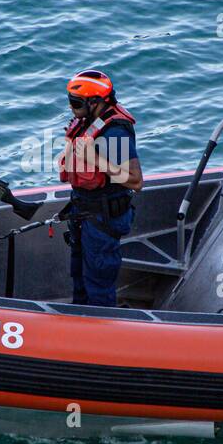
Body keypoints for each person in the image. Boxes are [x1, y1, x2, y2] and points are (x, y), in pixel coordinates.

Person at [58, 70, 142, 306]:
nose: (71, 108)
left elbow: (136, 181)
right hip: (82, 212)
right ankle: (79, 321)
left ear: (95, 102)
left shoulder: (115, 133)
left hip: (103, 219)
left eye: (75, 103)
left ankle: (103, 329)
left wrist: (94, 160)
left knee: (99, 282)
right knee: (79, 275)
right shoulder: (89, 122)